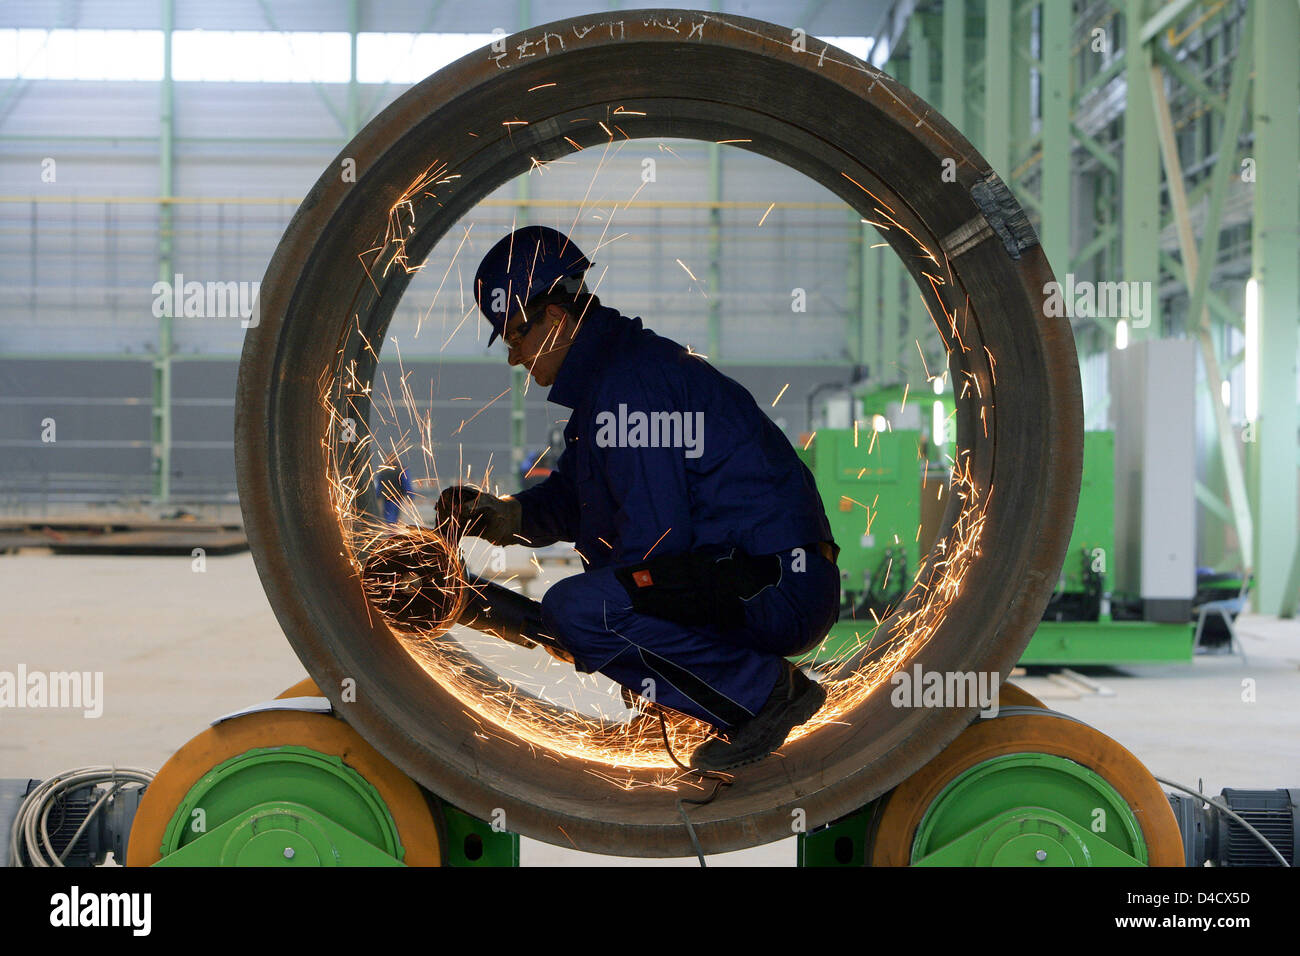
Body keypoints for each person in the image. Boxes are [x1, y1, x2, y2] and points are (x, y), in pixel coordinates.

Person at [437, 225, 840, 771]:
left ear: (554, 323)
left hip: (772, 586)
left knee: (578, 608)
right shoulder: (611, 385)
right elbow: (578, 503)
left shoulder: (632, 387)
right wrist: (509, 514)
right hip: (749, 576)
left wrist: (616, 642)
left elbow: (655, 540)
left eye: (514, 337)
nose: (514, 358)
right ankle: (728, 691)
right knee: (594, 610)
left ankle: (768, 695)